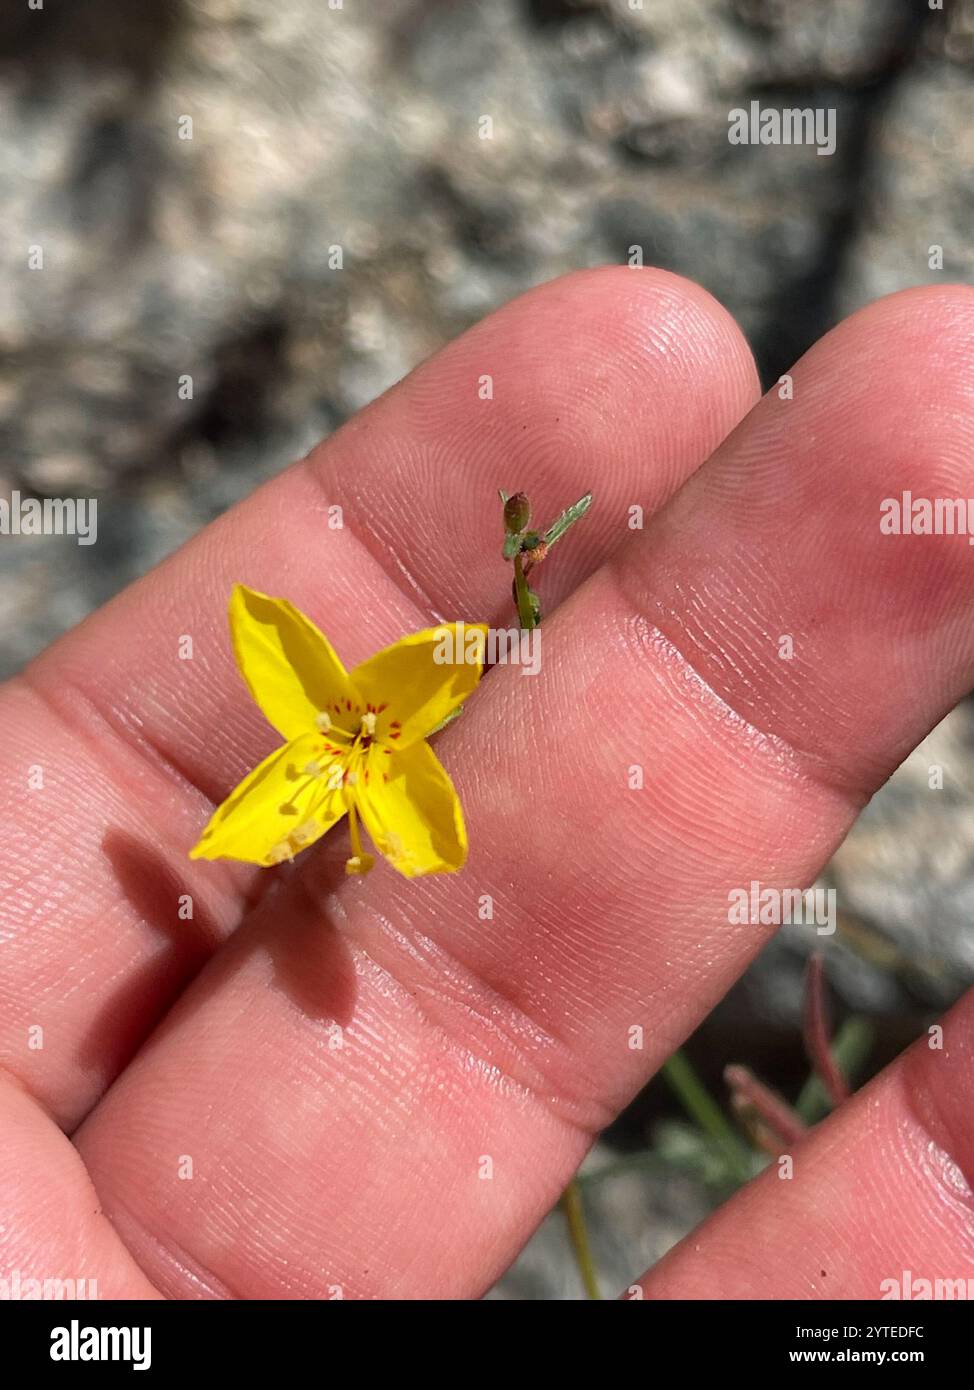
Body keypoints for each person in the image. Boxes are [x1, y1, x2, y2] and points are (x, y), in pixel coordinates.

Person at [2, 267, 972, 1299]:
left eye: (364, 732)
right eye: (352, 731)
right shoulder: (350, 719)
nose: (355, 737)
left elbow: (414, 761)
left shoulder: (402, 709)